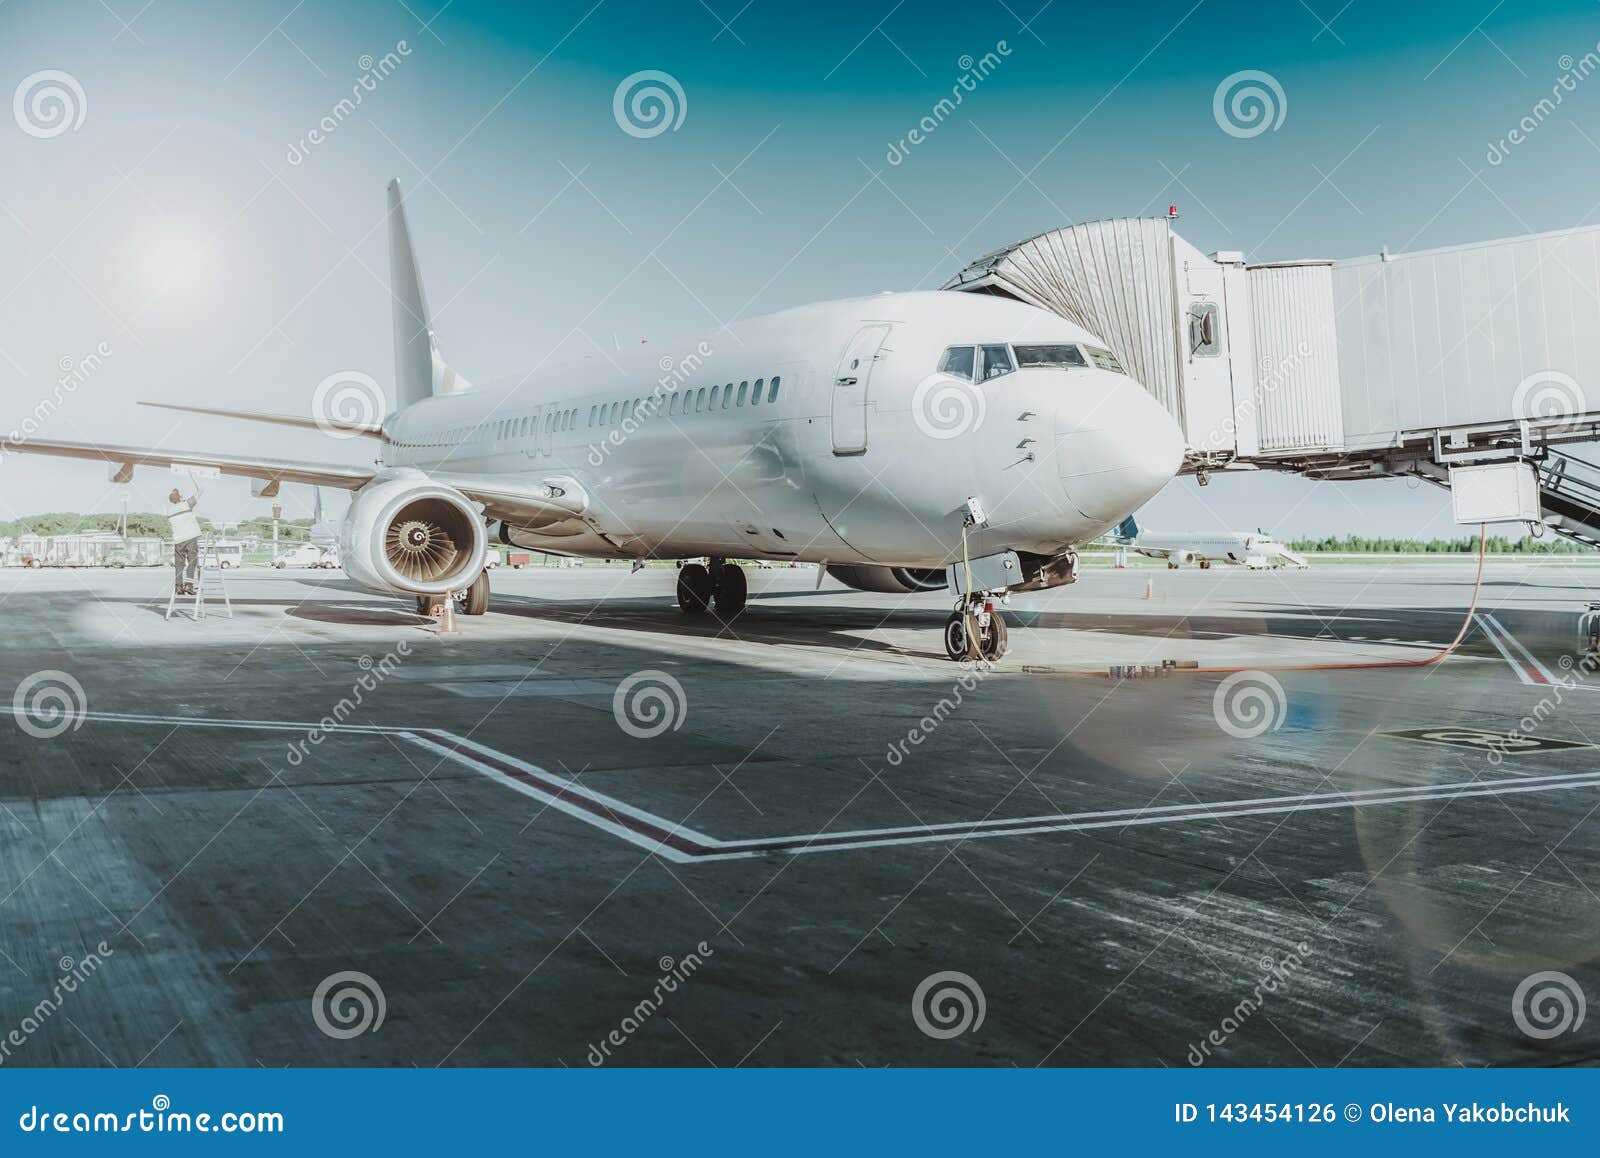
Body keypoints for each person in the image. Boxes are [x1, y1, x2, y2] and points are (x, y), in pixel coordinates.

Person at [166, 482, 202, 595]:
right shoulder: (186, 504)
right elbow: (200, 490)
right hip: (190, 537)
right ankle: (189, 586)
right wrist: (193, 476)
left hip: (178, 540)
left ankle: (178, 587)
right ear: (181, 497)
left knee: (179, 564)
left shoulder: (169, 510)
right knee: (192, 562)